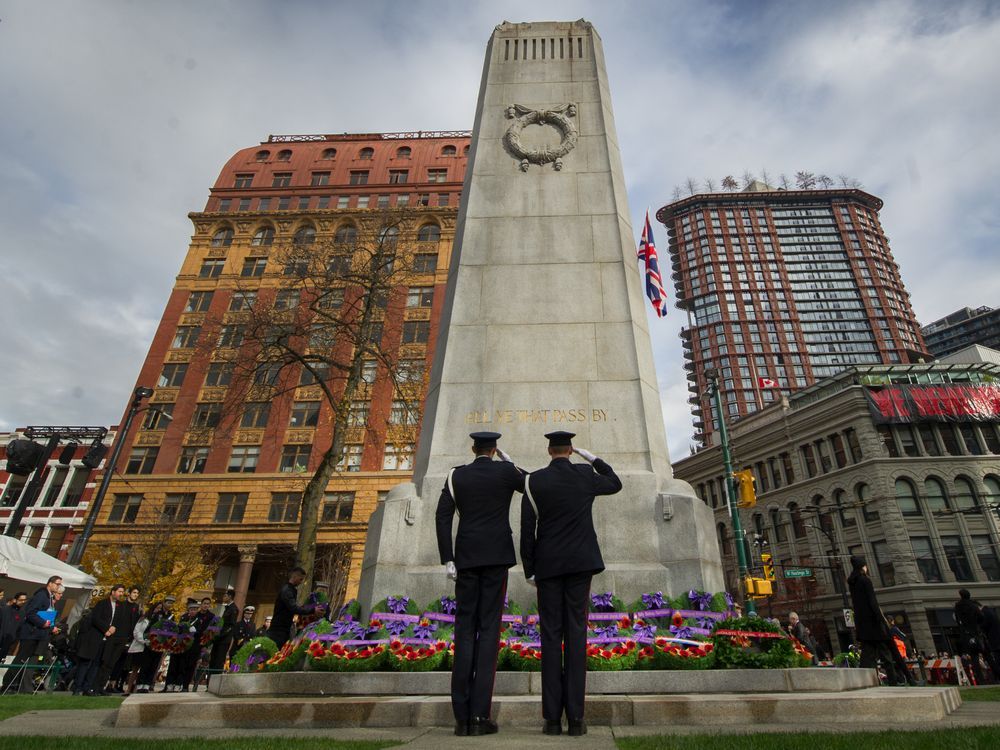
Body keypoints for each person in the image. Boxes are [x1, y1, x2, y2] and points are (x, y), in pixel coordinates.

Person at [520, 430, 622, 737]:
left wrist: (530, 571)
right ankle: (576, 719)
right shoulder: (584, 475)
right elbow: (615, 482)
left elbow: (527, 532)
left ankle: (552, 719)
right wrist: (591, 457)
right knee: (576, 635)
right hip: (580, 564)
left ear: (550, 451)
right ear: (569, 450)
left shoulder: (533, 481)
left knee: (550, 638)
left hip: (548, 566)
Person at [435, 431, 525, 737]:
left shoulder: (456, 476)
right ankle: (479, 716)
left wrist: (447, 557)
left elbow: (442, 517)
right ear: (495, 449)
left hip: (467, 558)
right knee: (488, 632)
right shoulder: (505, 472)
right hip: (497, 556)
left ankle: (461, 717)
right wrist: (513, 465)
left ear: (473, 448)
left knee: (464, 630)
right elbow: (532, 486)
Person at [847, 556, 901, 686]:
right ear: (862, 567)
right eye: (865, 566)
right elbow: (873, 602)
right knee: (885, 653)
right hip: (874, 623)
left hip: (863, 624)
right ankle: (893, 681)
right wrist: (880, 619)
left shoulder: (852, 583)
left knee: (868, 656)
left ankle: (865, 681)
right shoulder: (865, 581)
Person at [75, 584, 129, 696]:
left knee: (97, 664)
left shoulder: (120, 606)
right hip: (96, 637)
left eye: (122, 592)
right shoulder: (102, 603)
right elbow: (96, 618)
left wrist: (113, 628)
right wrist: (106, 628)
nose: (121, 594)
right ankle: (77, 687)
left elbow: (118, 620)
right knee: (86, 663)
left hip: (107, 640)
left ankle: (88, 687)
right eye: (119, 591)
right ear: (113, 592)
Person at [11, 575, 62, 693]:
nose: (59, 587)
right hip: (31, 633)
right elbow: (30, 613)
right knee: (21, 660)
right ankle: (9, 684)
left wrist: (51, 626)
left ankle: (24, 687)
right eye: (57, 584)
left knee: (31, 661)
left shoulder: (49, 597)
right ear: (50, 583)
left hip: (39, 634)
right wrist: (43, 623)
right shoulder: (41, 595)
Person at [268, 567, 321, 648]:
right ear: (295, 577)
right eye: (300, 579)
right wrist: (313, 610)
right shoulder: (287, 590)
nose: (301, 582)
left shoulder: (291, 589)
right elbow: (293, 608)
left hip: (284, 628)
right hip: (278, 629)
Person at [131, 602, 165, 693]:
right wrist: (144, 641)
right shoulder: (145, 618)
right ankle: (138, 685)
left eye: (160, 609)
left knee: (152, 666)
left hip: (155, 646)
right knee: (143, 666)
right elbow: (137, 631)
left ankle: (146, 685)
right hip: (144, 645)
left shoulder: (161, 621)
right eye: (156, 608)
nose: (158, 610)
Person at [954, 589, 987, 685]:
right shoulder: (973, 605)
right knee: (985, 652)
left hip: (966, 634)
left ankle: (980, 679)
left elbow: (957, 619)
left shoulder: (958, 606)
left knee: (974, 658)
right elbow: (981, 617)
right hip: (975, 632)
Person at [210, 588, 238, 676]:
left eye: (225, 595)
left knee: (218, 661)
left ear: (230, 597)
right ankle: (209, 682)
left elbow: (231, 626)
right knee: (213, 659)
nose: (223, 597)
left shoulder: (233, 609)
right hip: (219, 638)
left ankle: (214, 681)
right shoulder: (228, 608)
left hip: (224, 639)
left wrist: (220, 634)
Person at [981, 604, 1000, 682]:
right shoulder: (991, 612)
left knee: (998, 660)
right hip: (996, 642)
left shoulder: (985, 614)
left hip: (996, 643)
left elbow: (983, 626)